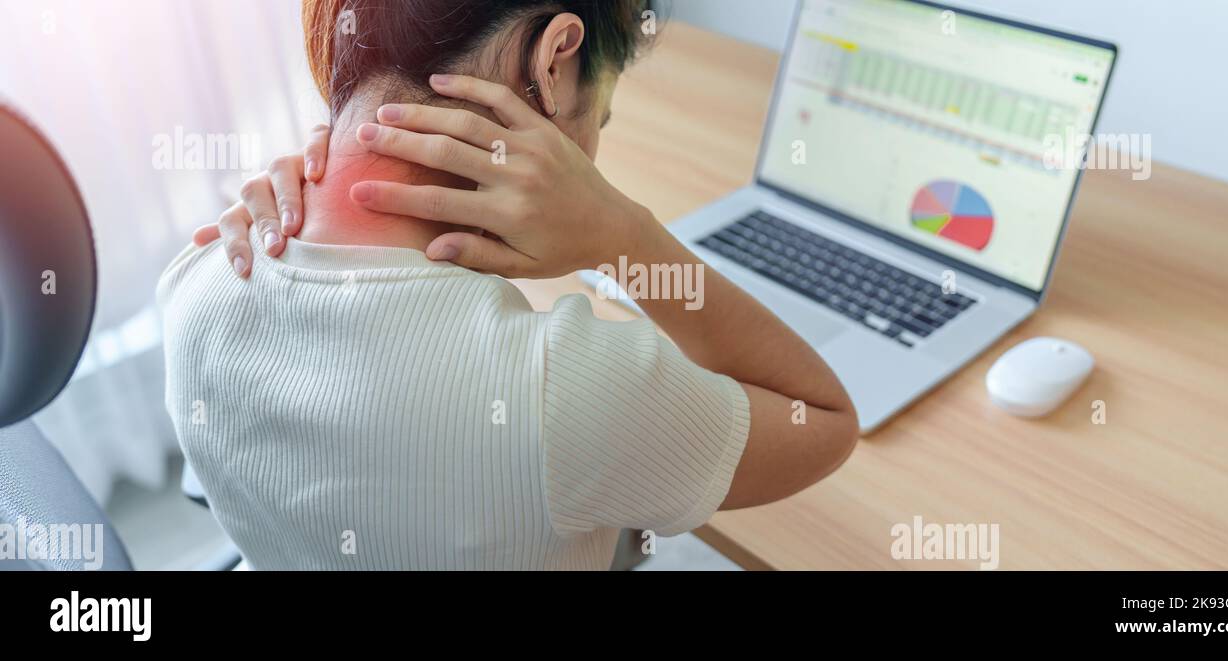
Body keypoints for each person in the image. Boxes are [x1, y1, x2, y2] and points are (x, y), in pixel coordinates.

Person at [163, 0, 858, 570]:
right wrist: (626, 236)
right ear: (555, 60)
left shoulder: (197, 282)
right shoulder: (560, 388)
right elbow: (823, 419)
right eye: (600, 116)